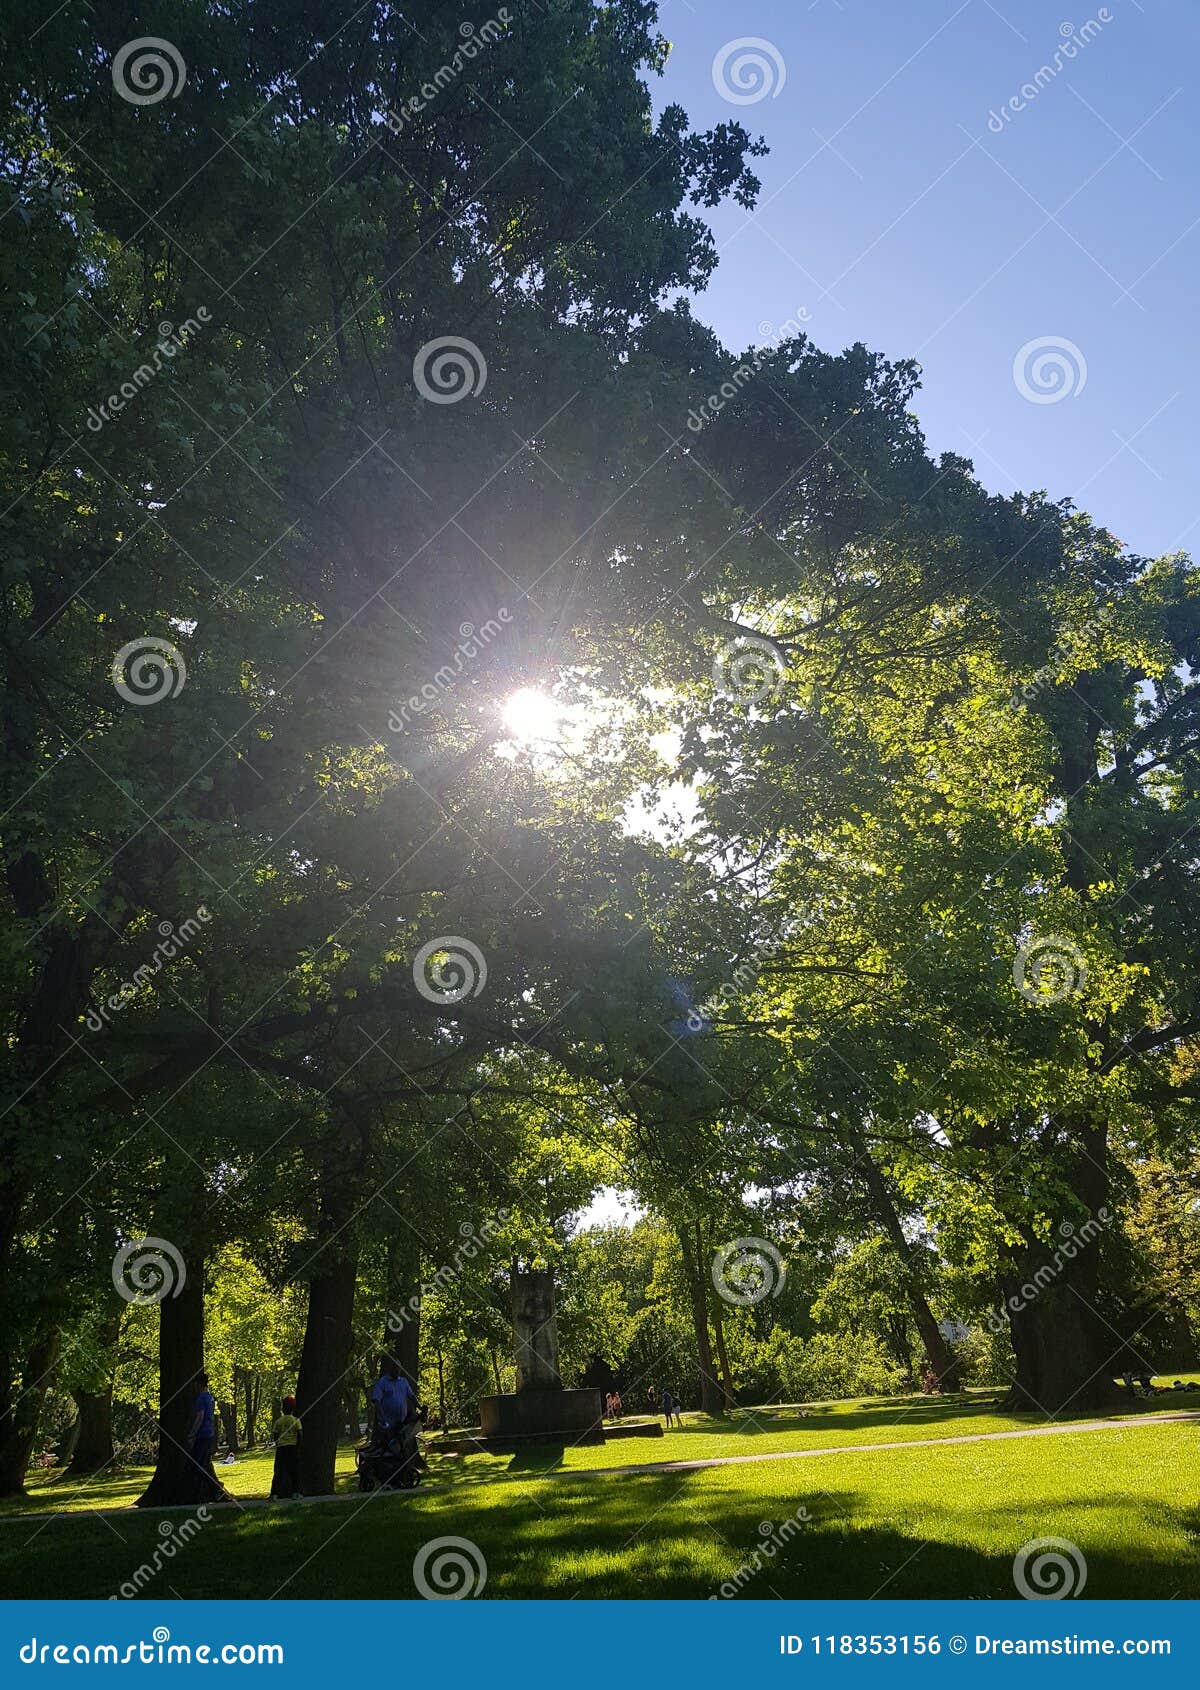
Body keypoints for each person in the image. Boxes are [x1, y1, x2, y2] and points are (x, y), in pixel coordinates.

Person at [186, 1372, 220, 1498]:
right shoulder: (210, 1397)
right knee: (203, 1463)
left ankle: (215, 1487)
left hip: (202, 1435)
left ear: (198, 1384)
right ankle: (209, 1491)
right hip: (209, 1433)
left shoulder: (201, 1398)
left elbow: (199, 1417)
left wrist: (192, 1434)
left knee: (197, 1465)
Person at [368, 1358, 414, 1444]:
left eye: (398, 1368)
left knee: (403, 1447)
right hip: (387, 1425)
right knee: (388, 1448)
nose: (397, 1370)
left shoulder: (404, 1382)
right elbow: (376, 1401)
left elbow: (412, 1396)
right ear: (390, 1369)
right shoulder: (382, 1382)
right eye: (395, 1367)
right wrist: (382, 1419)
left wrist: (420, 1407)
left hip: (402, 1424)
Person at [270, 1395, 303, 1499]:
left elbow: (275, 1434)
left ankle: (274, 1493)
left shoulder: (279, 1421)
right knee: (295, 1471)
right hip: (293, 1448)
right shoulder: (296, 1420)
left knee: (278, 1471)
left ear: (283, 1408)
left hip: (281, 1449)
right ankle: (295, 1492)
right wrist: (298, 1446)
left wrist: (278, 1442)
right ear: (293, 1408)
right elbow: (300, 1434)